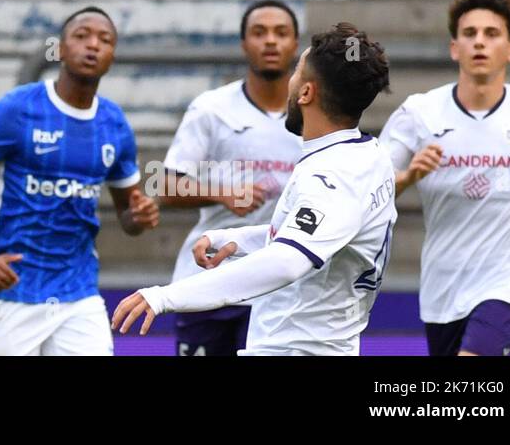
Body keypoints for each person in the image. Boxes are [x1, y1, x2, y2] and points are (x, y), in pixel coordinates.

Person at [113, 23, 396, 356]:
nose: (289, 80)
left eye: (297, 72)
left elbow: (287, 261)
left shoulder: (333, 175)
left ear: (306, 93)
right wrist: (236, 240)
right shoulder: (367, 155)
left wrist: (164, 297)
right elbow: (312, 234)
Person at [0, 7, 160, 356]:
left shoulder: (115, 124)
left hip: (80, 292)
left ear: (112, 55)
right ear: (60, 48)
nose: (93, 46)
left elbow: (128, 217)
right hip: (15, 290)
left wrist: (141, 216)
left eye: (105, 40)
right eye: (82, 35)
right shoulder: (18, 108)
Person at [381, 0, 510, 356]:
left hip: (508, 281)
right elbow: (371, 190)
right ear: (454, 47)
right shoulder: (419, 112)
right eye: (469, 33)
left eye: (491, 34)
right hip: (443, 286)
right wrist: (409, 177)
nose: (479, 42)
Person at [157, 0, 302, 356]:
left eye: (281, 33)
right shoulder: (211, 108)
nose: (270, 41)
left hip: (281, 287)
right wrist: (223, 194)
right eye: (259, 32)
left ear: (296, 44)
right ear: (243, 44)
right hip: (211, 278)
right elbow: (165, 186)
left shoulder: (315, 114)